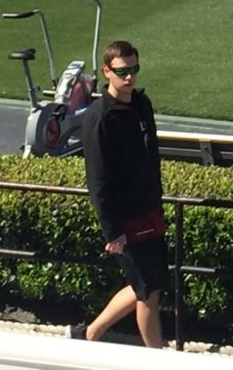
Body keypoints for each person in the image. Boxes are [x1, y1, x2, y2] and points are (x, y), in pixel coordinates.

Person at [72, 40, 166, 348]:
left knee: (146, 285)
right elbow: (97, 179)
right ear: (107, 71)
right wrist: (112, 231)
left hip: (150, 208)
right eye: (123, 71)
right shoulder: (100, 118)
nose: (130, 77)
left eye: (134, 70)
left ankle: (90, 333)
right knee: (148, 292)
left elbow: (151, 155)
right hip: (127, 218)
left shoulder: (142, 103)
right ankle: (158, 359)